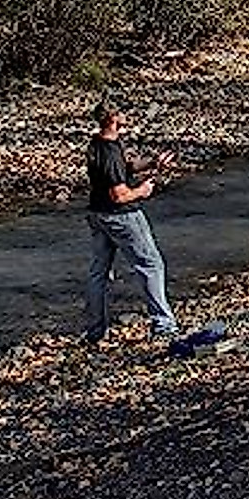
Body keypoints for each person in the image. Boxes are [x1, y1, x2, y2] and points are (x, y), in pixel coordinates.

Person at [84, 99, 179, 345]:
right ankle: (164, 325)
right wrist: (143, 191)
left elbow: (122, 168)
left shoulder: (97, 144)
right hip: (121, 216)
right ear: (114, 118)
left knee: (99, 273)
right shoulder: (111, 151)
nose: (127, 116)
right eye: (123, 113)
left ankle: (95, 330)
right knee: (151, 265)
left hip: (97, 215)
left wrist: (152, 163)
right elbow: (119, 194)